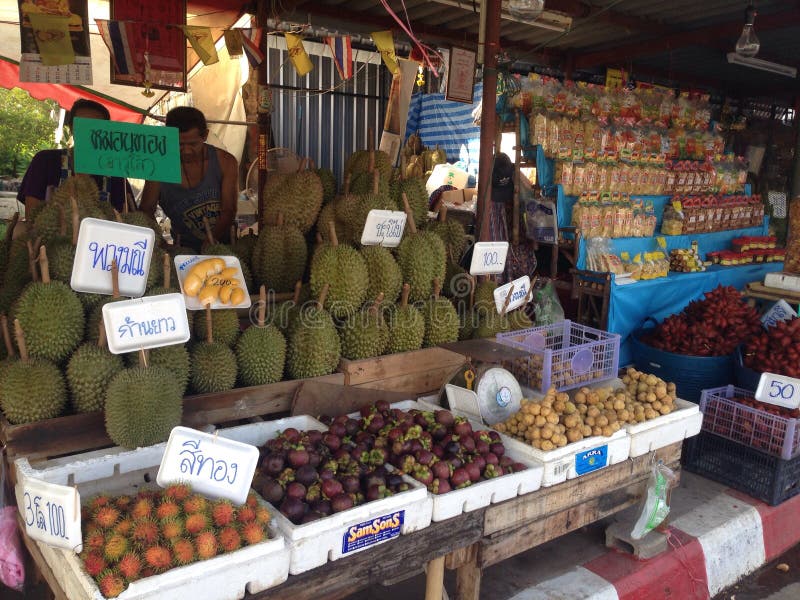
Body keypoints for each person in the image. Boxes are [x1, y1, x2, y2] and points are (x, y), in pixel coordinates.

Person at [140, 106, 238, 251]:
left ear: (205, 135)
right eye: (179, 144)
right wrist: (160, 242)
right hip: (182, 249)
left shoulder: (225, 162)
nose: (186, 151)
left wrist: (211, 241)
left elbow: (229, 209)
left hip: (225, 246)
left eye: (193, 144)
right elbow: (146, 210)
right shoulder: (159, 166)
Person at [17, 98, 133, 215]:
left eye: (96, 126)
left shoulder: (116, 176)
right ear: (71, 128)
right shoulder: (45, 161)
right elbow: (31, 214)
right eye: (82, 125)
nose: (88, 131)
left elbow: (128, 216)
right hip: (49, 232)